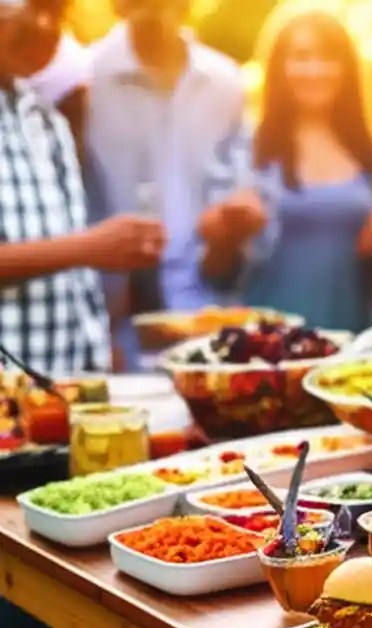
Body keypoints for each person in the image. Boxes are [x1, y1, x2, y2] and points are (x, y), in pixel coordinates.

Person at [0, 4, 165, 628]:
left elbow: (72, 280)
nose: (45, 23)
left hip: (69, 427)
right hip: (9, 431)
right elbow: (73, 252)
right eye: (28, 5)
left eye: (55, 9)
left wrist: (106, 357)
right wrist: (91, 247)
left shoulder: (39, 115)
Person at [86, 0, 262, 369]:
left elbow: (236, 190)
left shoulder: (223, 82)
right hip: (116, 327)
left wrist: (233, 223)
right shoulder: (87, 79)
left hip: (208, 319)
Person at [200, 7, 372, 332]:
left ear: (347, 68)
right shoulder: (248, 150)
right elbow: (215, 273)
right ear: (278, 66)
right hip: (266, 347)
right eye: (301, 56)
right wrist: (227, 234)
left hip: (352, 345)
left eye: (328, 57)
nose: (314, 70)